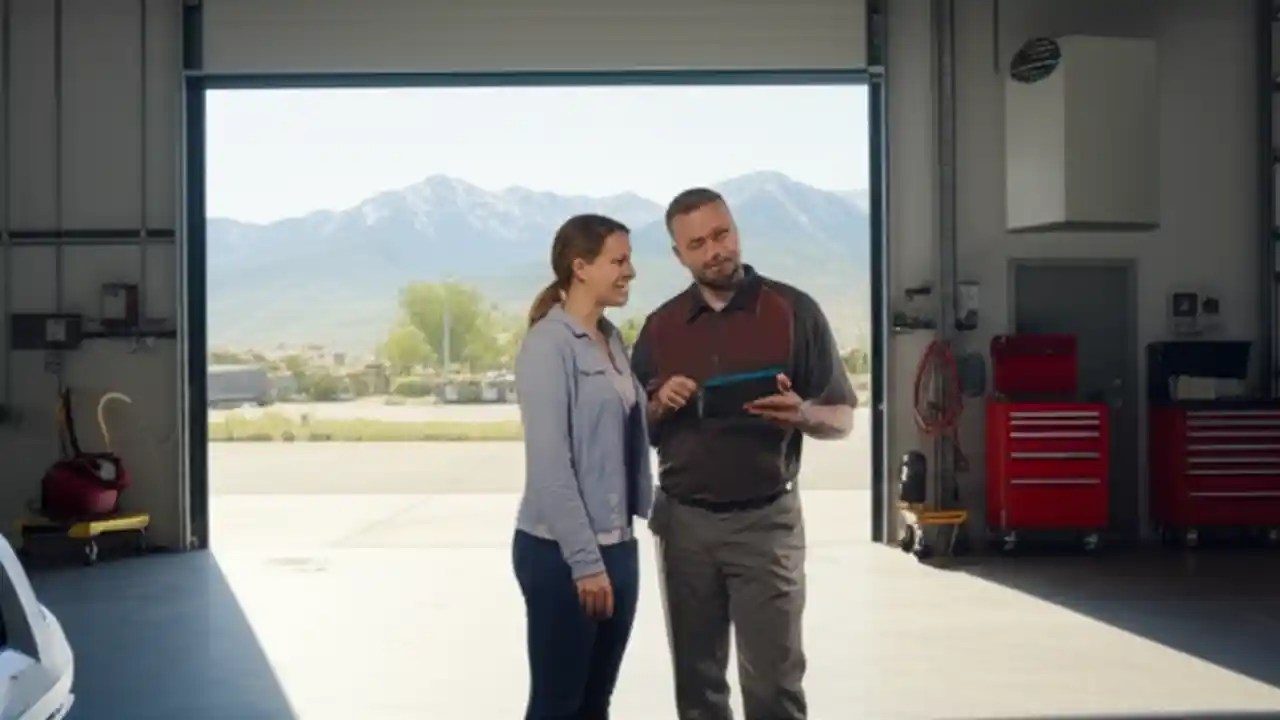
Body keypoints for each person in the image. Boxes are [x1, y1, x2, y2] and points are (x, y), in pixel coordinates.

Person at [630, 188, 858, 720]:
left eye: (722, 233)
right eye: (698, 243)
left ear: (736, 230)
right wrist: (658, 404)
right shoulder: (660, 327)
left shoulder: (793, 311)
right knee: (697, 684)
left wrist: (803, 413)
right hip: (684, 525)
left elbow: (842, 416)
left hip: (766, 524)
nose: (715, 250)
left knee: (775, 686)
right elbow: (631, 427)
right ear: (678, 255)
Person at [512, 213, 654, 720]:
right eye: (618, 261)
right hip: (562, 554)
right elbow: (551, 468)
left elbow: (610, 435)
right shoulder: (547, 347)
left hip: (619, 545)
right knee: (557, 705)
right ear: (580, 268)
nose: (630, 272)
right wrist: (586, 562)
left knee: (595, 703)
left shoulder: (612, 339)